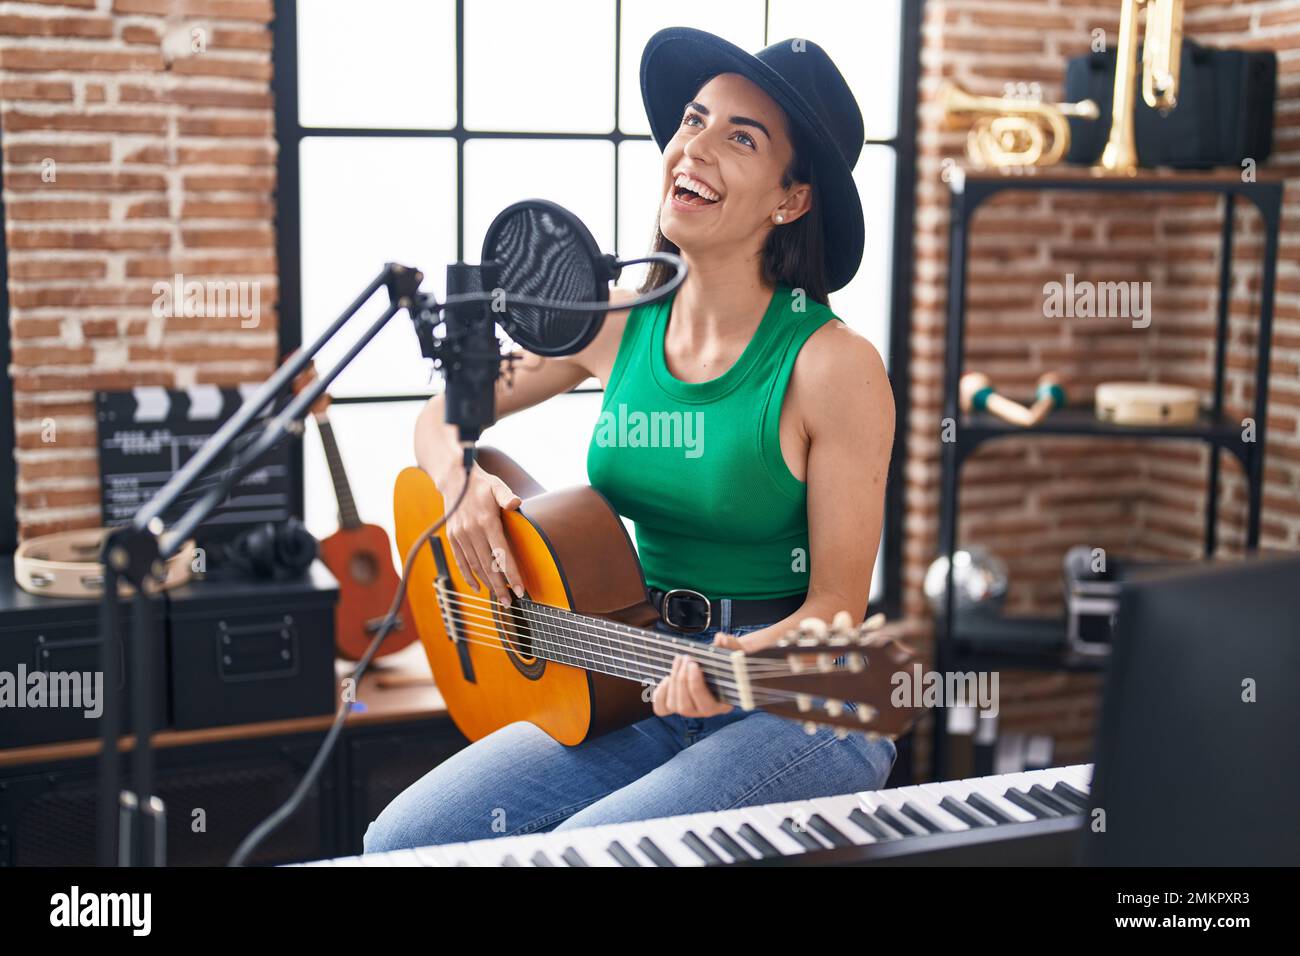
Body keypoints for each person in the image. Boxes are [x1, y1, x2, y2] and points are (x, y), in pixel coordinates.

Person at [364, 27, 897, 854]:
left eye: (740, 137)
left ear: (790, 199)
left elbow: (836, 609)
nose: (696, 147)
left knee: (586, 854)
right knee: (403, 841)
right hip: (632, 674)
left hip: (799, 701)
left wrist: (730, 667)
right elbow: (447, 412)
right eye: (693, 119)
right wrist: (458, 482)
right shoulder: (614, 323)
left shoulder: (834, 366)